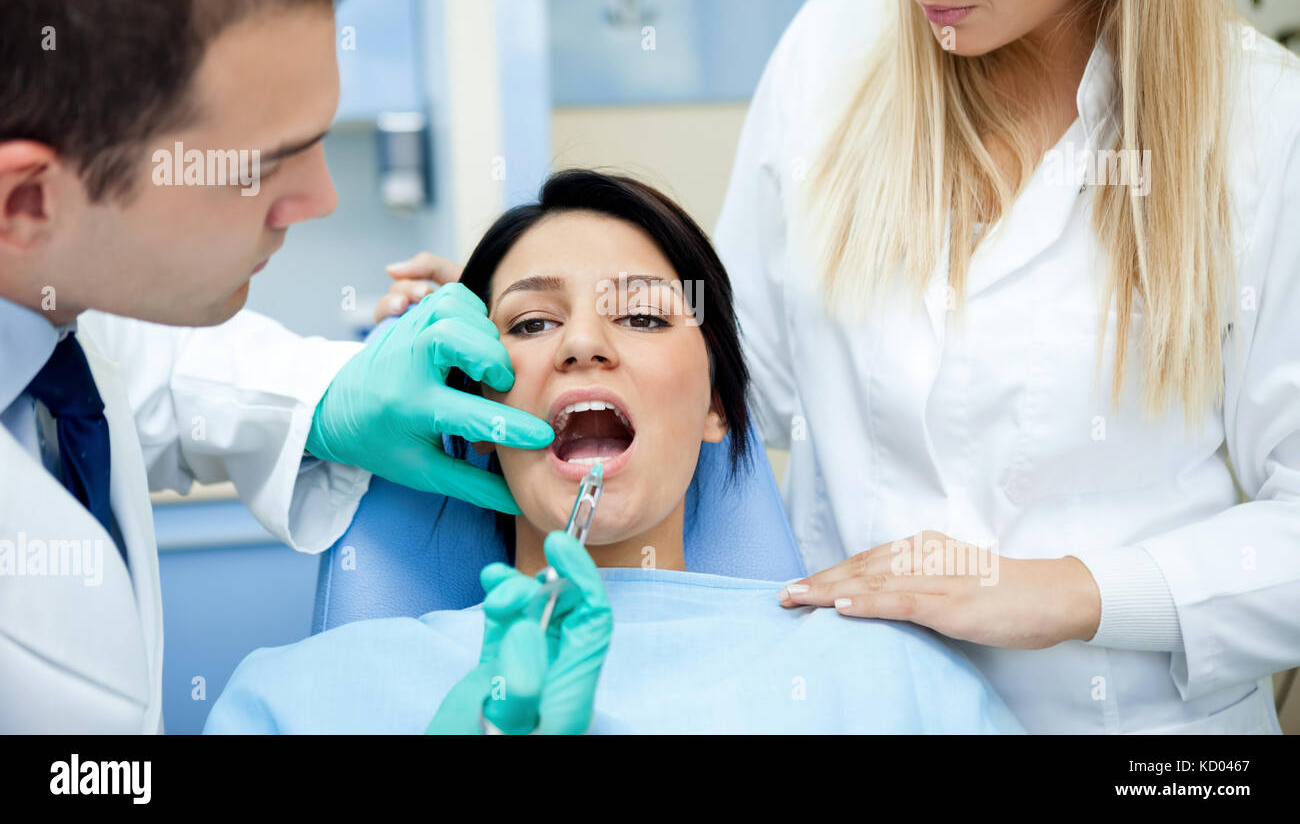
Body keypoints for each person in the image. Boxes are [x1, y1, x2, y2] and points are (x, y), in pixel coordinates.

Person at [381, 0, 1300, 733]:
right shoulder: (828, 58)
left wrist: (1068, 592)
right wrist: (526, 334)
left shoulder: (1265, 126)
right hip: (856, 706)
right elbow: (734, 380)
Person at [0, 0, 551, 733]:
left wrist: (334, 401)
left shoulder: (53, 325)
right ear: (26, 202)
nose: (321, 199)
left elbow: (149, 380)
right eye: (264, 165)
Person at [205, 170, 1025, 734]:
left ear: (716, 407)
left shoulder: (890, 686)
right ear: (475, 403)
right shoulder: (304, 699)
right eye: (529, 324)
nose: (584, 343)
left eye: (641, 317)